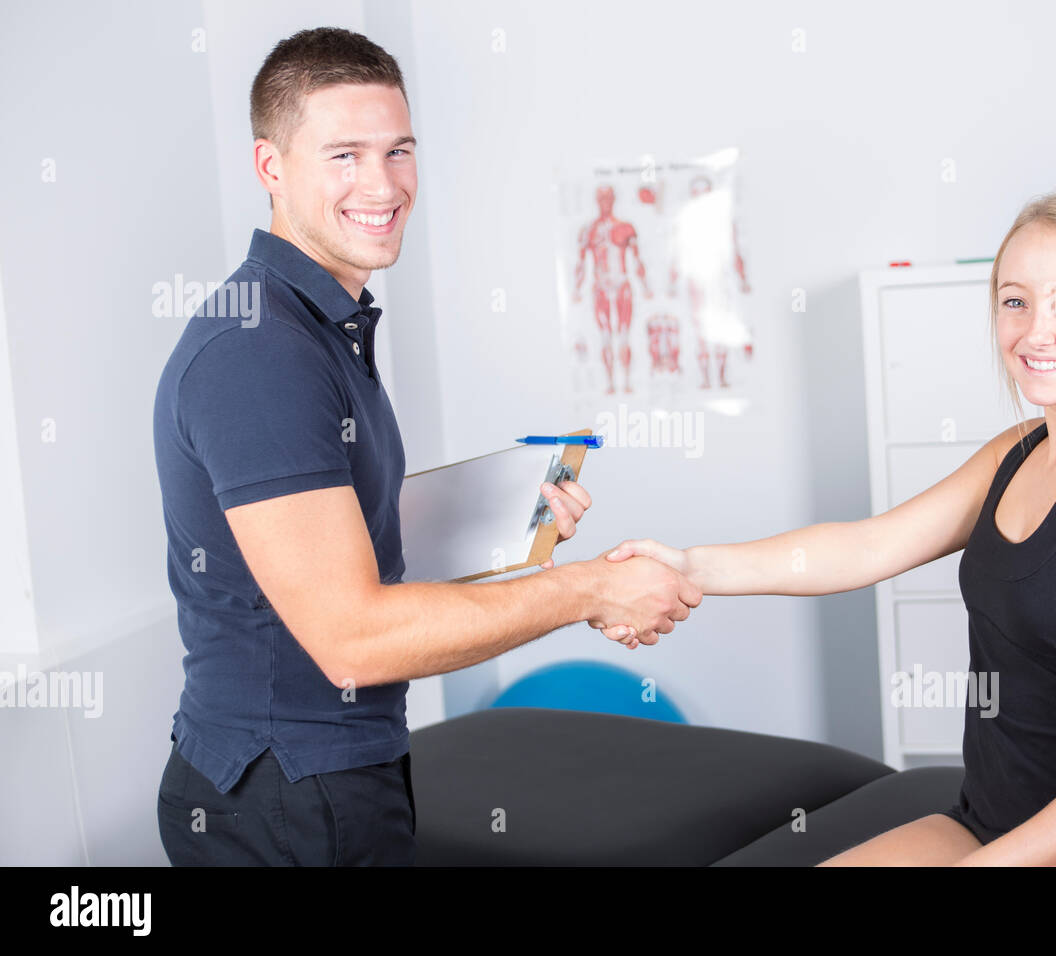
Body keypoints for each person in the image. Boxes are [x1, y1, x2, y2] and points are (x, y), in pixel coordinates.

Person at [151, 27, 700, 867]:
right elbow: (353, 636)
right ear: (270, 167)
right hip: (288, 790)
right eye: (344, 155)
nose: (382, 184)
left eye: (398, 150)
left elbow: (338, 545)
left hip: (332, 768)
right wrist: (588, 589)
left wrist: (501, 523)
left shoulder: (317, 322)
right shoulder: (260, 353)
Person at [599, 184, 1056, 866]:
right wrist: (692, 567)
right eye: (1016, 300)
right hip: (990, 823)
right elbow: (867, 546)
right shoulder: (1020, 452)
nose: (1035, 330)